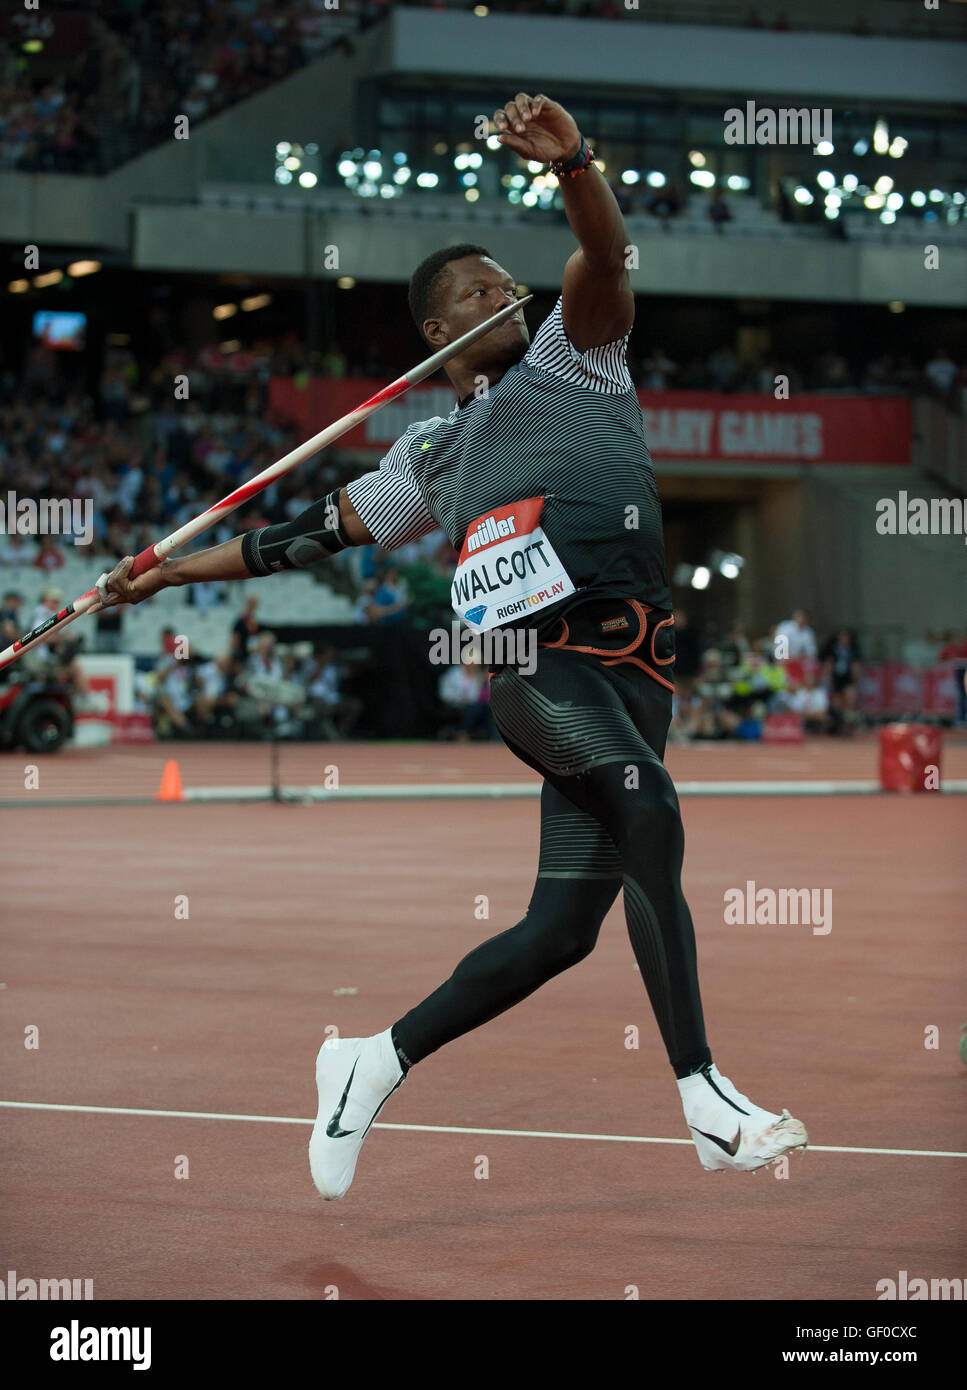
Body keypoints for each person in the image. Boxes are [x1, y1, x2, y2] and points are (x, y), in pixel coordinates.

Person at [101, 90, 807, 1197]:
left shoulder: (576, 358)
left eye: (505, 281)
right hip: (530, 659)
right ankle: (704, 1096)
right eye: (479, 290)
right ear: (439, 332)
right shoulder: (429, 453)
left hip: (638, 664)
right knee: (650, 806)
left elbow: (603, 258)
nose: (505, 293)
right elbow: (311, 535)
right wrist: (162, 572)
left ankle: (366, 1063)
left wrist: (573, 160)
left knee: (560, 929)